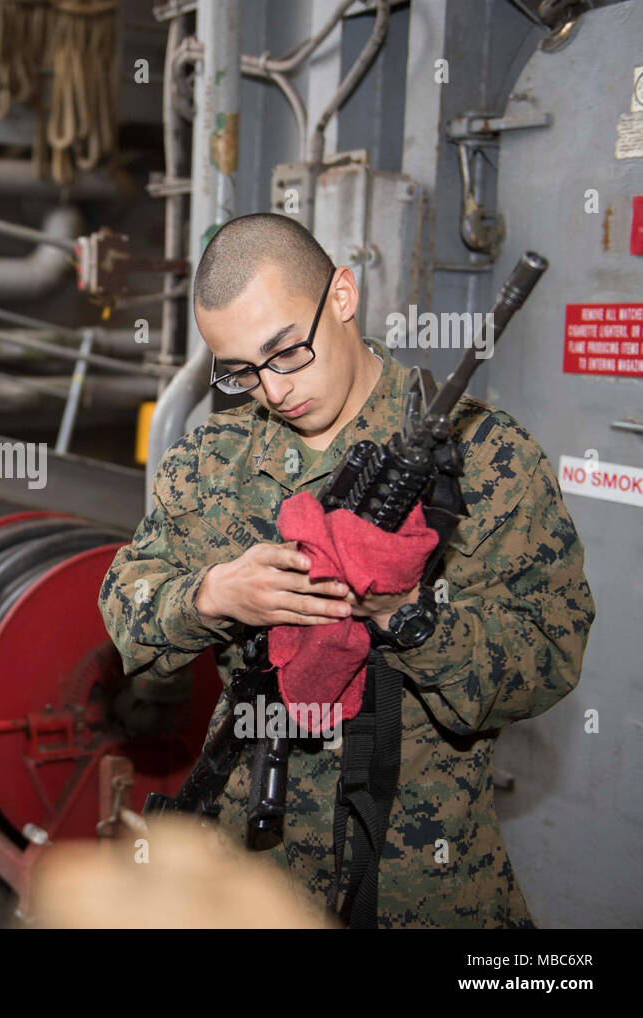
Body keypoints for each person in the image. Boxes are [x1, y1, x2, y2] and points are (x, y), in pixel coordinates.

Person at [98, 213, 595, 928]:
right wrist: (212, 595)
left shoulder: (487, 459)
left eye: (284, 353)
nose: (271, 389)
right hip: (246, 880)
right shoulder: (212, 460)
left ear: (341, 296)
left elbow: (549, 656)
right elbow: (125, 604)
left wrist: (406, 614)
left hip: (420, 882)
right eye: (240, 371)